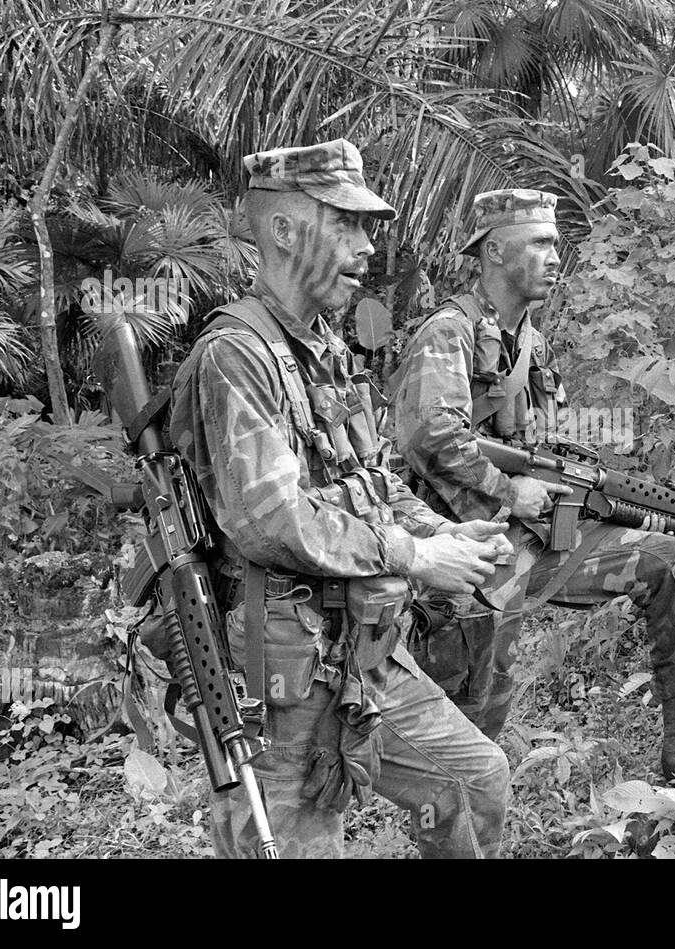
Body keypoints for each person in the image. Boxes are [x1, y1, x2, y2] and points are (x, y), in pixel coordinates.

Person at [168, 139, 512, 858]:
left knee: (475, 782)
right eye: (346, 225)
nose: (366, 247)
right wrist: (418, 555)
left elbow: (373, 477)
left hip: (363, 647)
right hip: (281, 673)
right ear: (286, 230)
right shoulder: (235, 356)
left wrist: (450, 535)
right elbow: (272, 521)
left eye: (368, 229)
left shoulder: (323, 347)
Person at [391, 189, 675, 779]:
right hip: (462, 545)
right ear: (495, 251)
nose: (556, 256)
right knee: (479, 706)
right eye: (541, 243)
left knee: (673, 560)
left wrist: (587, 489)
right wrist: (509, 490)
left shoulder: (531, 343)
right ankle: (453, 787)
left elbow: (544, 446)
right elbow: (429, 438)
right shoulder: (450, 333)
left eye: (557, 243)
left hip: (533, 535)